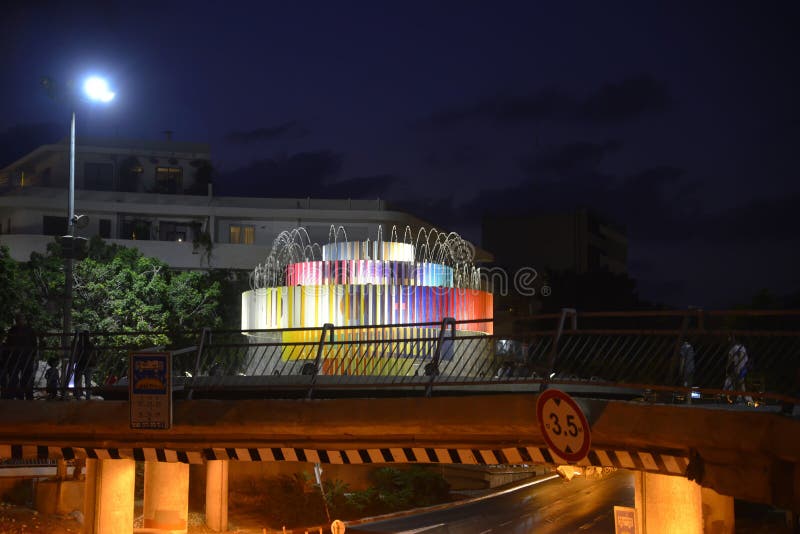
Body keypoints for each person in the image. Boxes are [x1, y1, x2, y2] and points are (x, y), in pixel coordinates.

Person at [2, 313, 38, 400]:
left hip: (21, 357)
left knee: (22, 377)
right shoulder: (21, 330)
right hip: (20, 357)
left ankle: (22, 394)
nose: (19, 321)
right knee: (19, 377)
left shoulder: (16, 330)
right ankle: (23, 395)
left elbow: (8, 343)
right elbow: (34, 344)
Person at [723, 336, 752, 404]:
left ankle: (728, 396)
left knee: (734, 382)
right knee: (740, 383)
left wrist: (728, 368)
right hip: (741, 368)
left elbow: (731, 360)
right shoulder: (742, 348)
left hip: (737, 368)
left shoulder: (734, 348)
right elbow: (745, 360)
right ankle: (742, 398)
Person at [73, 332, 98, 400]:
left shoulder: (80, 344)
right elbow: (94, 355)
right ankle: (85, 395)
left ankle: (80, 395)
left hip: (83, 364)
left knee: (80, 380)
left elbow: (75, 354)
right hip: (84, 364)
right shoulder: (88, 344)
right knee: (86, 381)